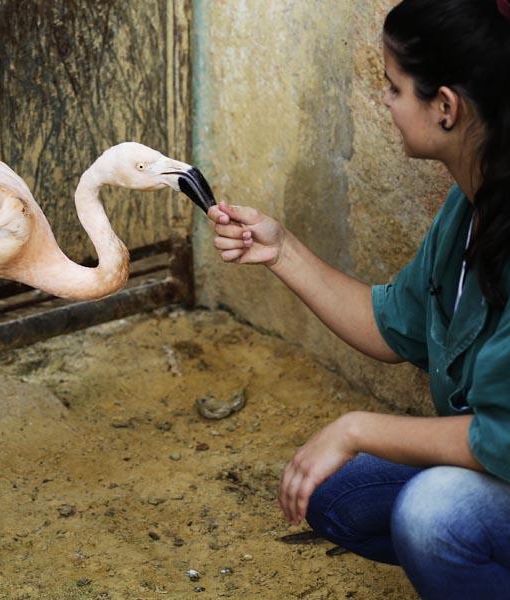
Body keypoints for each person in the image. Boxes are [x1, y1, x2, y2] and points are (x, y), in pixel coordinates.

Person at [207, 0, 510, 597]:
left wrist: (354, 427)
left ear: (445, 107)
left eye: (394, 89)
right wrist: (282, 249)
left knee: (432, 512)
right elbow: (391, 325)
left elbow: (503, 436)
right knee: (332, 490)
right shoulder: (467, 207)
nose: (385, 106)